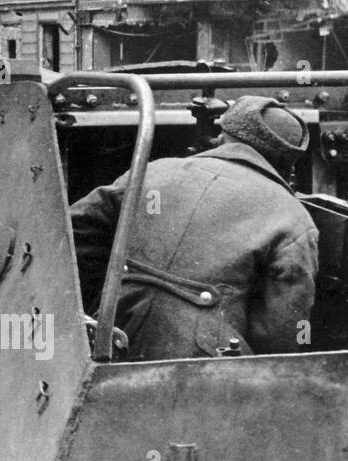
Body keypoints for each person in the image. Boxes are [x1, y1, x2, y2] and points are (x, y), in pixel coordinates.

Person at [70, 95, 318, 360]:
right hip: (206, 370)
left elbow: (74, 232)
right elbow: (280, 331)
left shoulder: (154, 171)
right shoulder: (293, 218)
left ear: (224, 135)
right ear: (288, 163)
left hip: (112, 339)